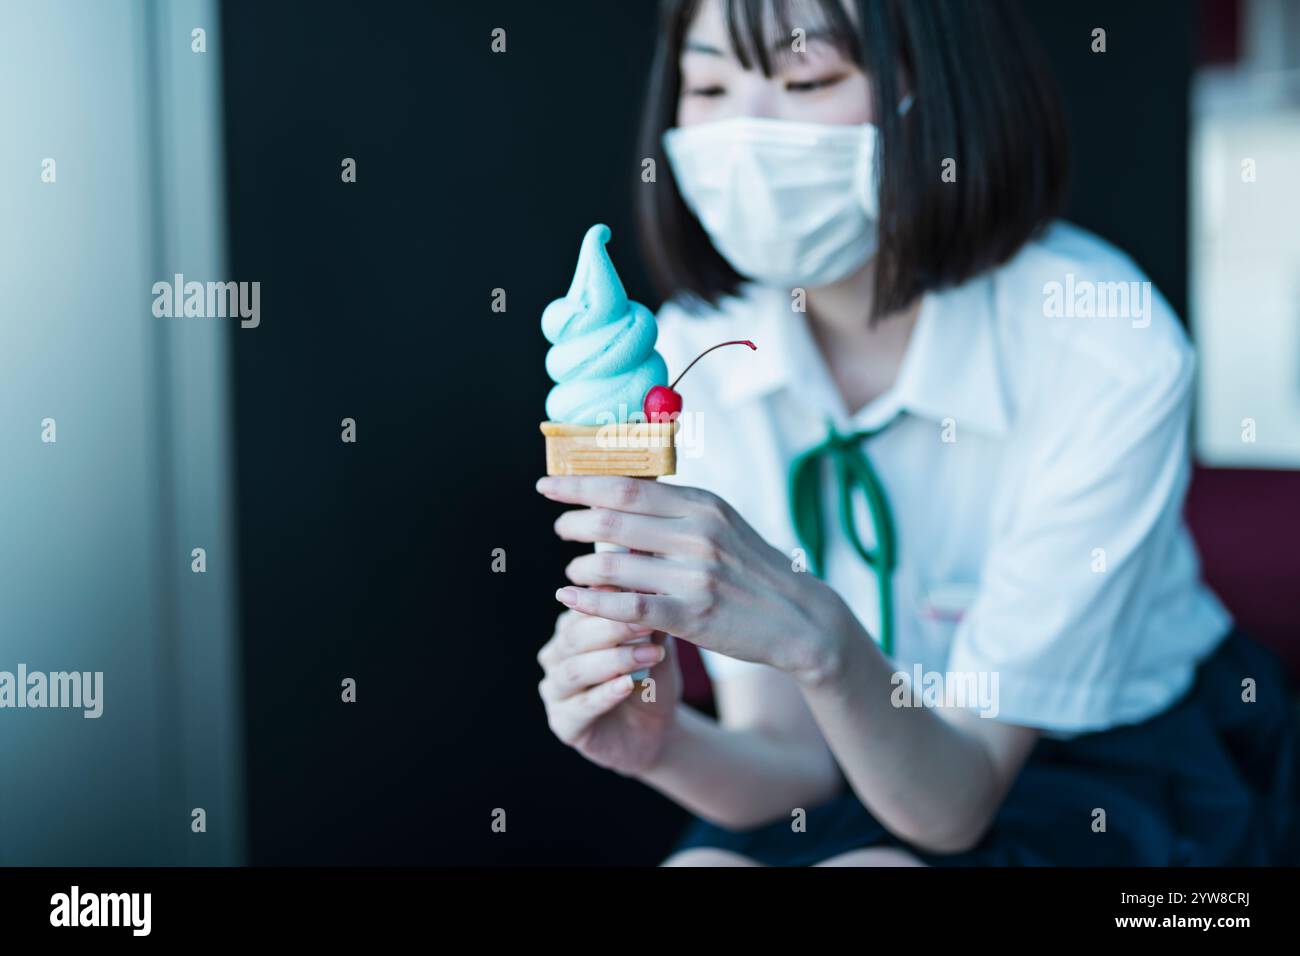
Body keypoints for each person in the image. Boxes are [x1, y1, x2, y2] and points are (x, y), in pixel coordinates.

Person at [534, 0, 1298, 866]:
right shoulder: (687, 358)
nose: (741, 137)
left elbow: (952, 807)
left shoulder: (1107, 347)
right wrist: (660, 746)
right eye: (707, 84)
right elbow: (794, 759)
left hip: (1100, 758)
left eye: (807, 78)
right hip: (868, 751)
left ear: (936, 97)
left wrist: (815, 632)